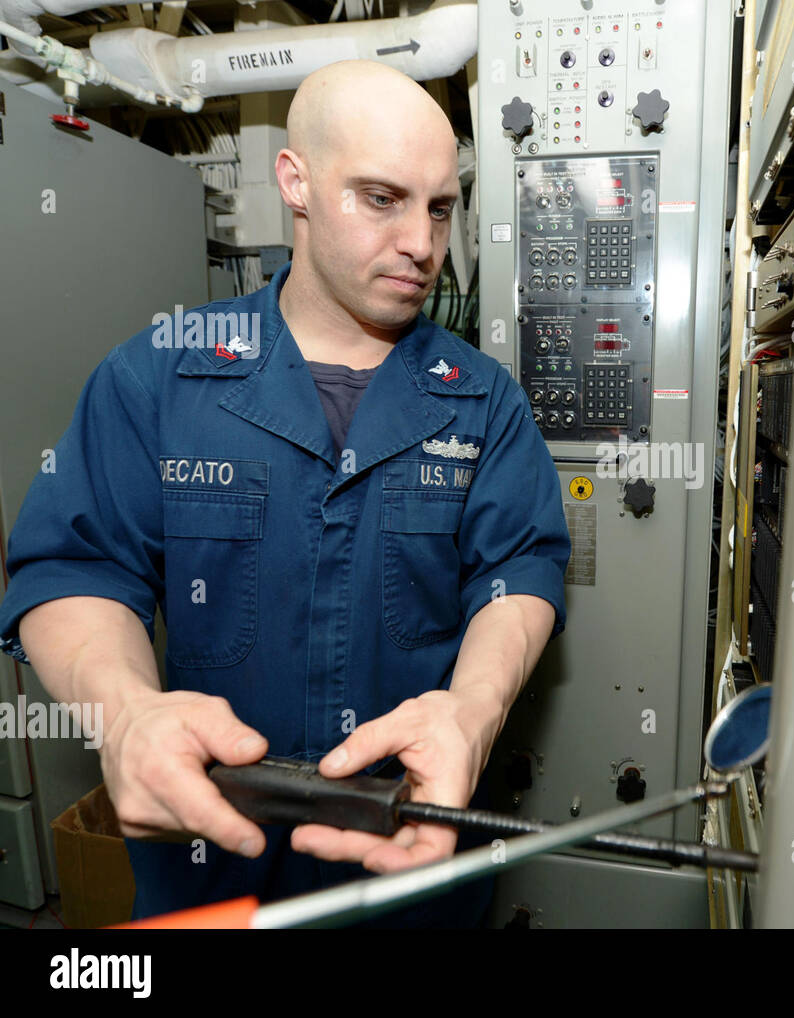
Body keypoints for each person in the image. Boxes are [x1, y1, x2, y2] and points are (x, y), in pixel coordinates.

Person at [0, 59, 570, 927]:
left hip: (408, 865)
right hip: (214, 871)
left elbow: (521, 573)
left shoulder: (482, 399)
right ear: (295, 182)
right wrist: (123, 715)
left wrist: (473, 714)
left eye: (441, 206)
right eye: (382, 198)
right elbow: (74, 569)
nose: (422, 241)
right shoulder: (158, 376)